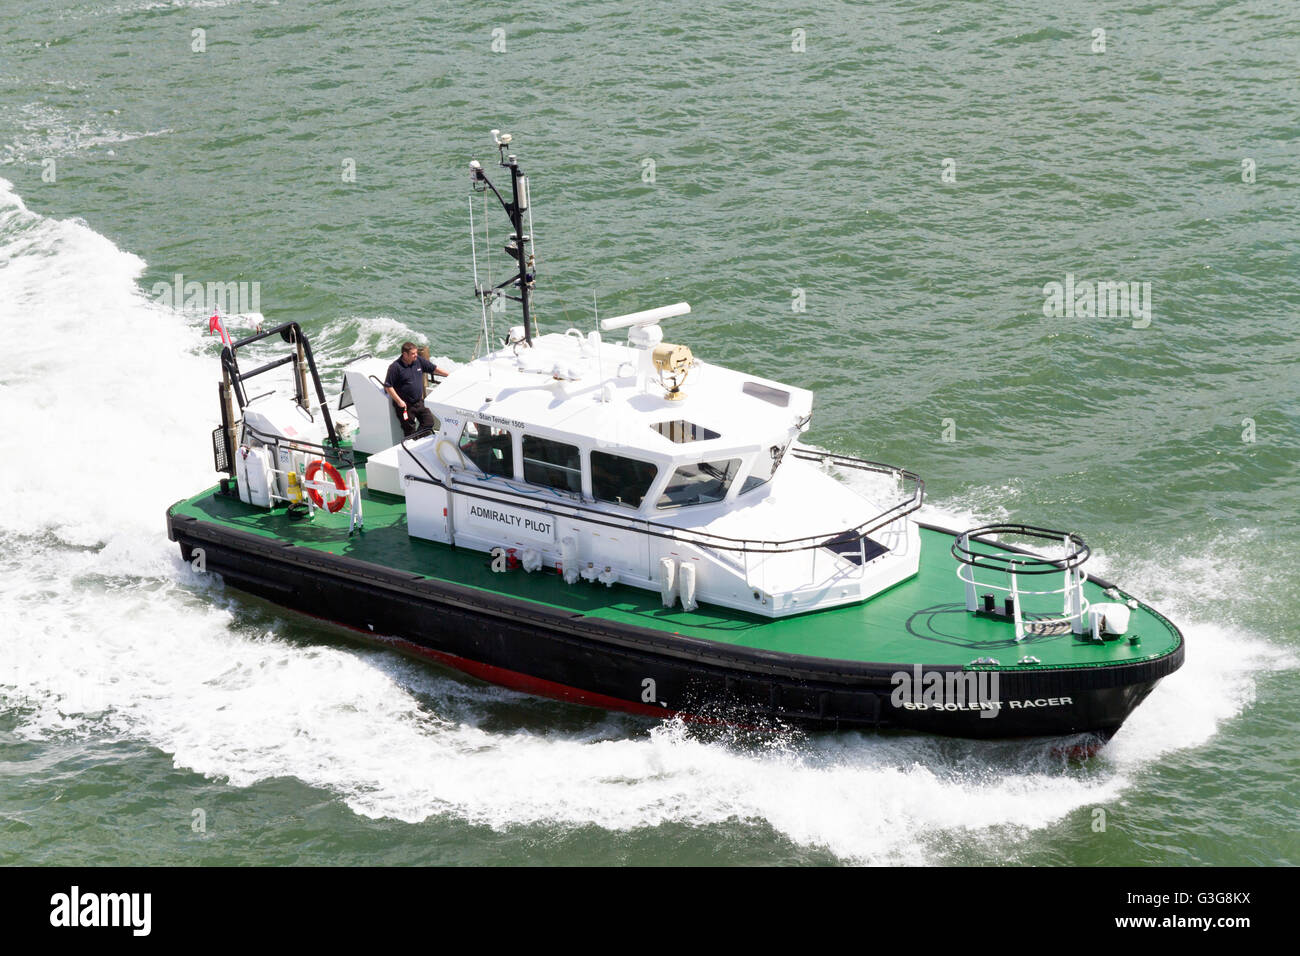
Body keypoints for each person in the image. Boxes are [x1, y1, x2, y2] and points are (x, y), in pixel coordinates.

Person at [384, 342, 449, 437]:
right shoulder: (395, 367)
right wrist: (399, 401)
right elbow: (388, 386)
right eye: (413, 354)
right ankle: (412, 444)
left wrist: (450, 375)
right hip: (405, 406)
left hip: (419, 402)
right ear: (405, 354)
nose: (416, 355)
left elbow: (433, 368)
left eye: (416, 353)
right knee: (409, 430)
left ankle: (417, 440)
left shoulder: (418, 360)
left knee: (428, 422)